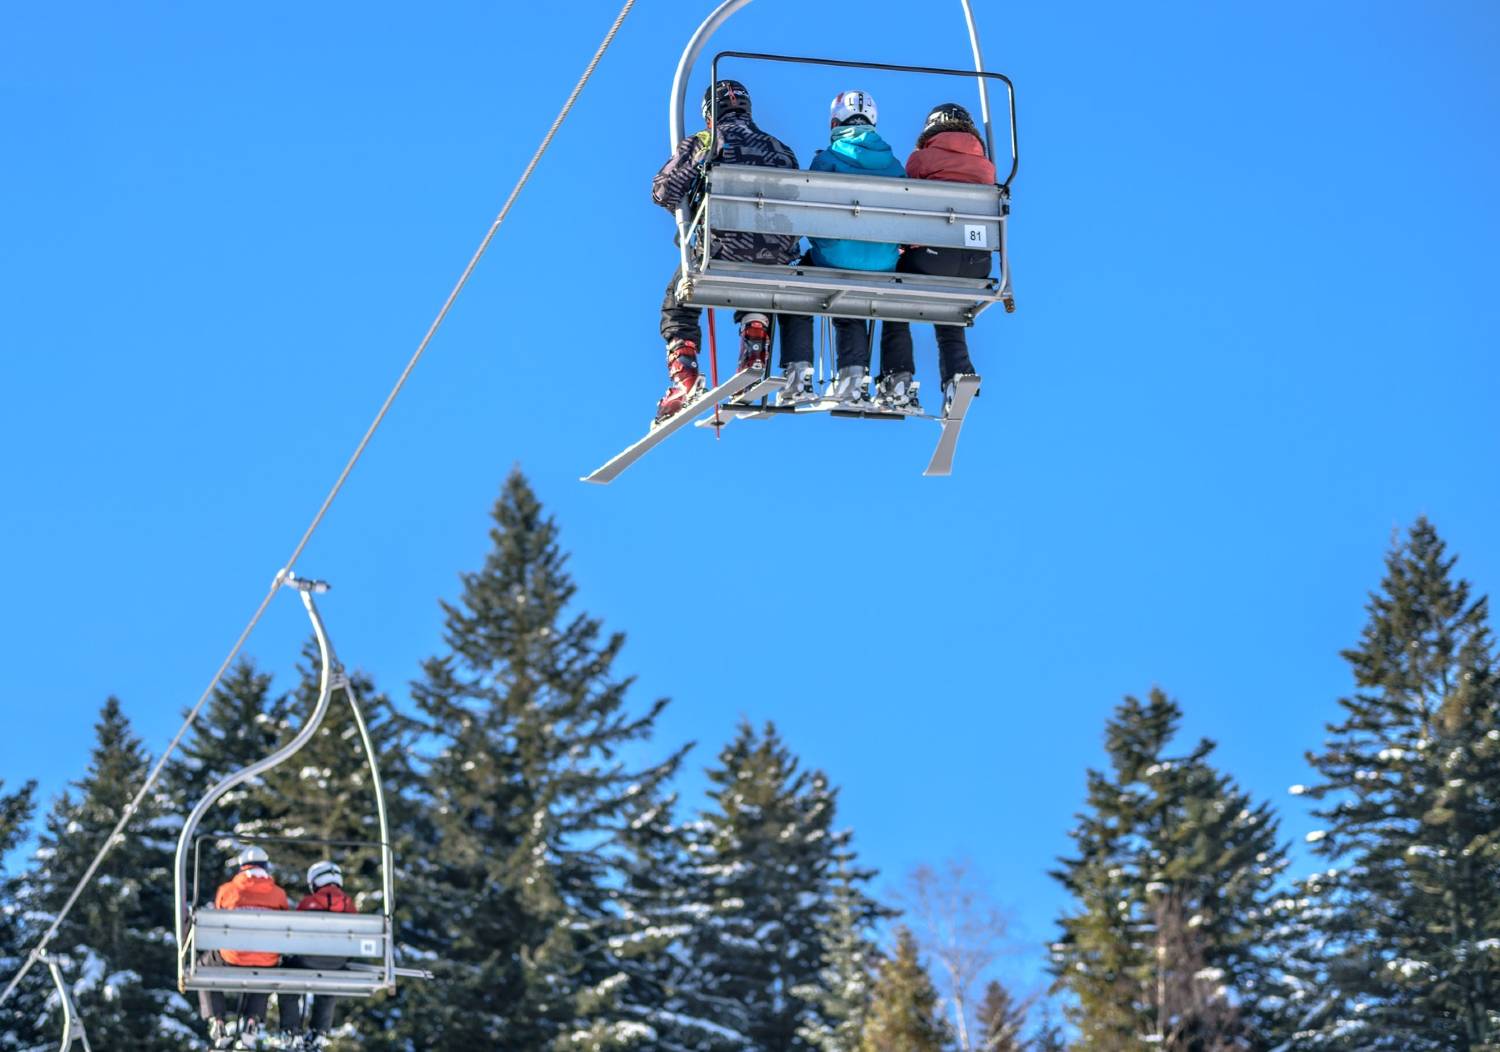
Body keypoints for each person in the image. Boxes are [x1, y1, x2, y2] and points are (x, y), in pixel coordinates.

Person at [651, 79, 800, 423]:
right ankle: (754, 352)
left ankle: (684, 378)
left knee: (678, 303)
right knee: (756, 278)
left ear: (709, 115)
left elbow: (662, 190)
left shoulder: (708, 140)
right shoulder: (779, 149)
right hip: (775, 253)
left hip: (720, 248)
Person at [777, 90, 906, 406]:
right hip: (884, 263)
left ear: (835, 121)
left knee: (801, 282)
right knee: (860, 290)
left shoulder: (827, 160)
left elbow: (807, 213)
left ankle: (800, 371)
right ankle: (857, 374)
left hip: (836, 258)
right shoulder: (895, 165)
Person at [875, 103, 994, 415]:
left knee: (892, 297)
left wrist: (903, 246)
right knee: (949, 308)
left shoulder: (921, 159)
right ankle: (958, 371)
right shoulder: (986, 167)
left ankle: (897, 377)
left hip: (932, 256)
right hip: (977, 263)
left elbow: (909, 206)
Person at [200, 846, 291, 1050]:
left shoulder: (227, 890)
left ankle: (217, 1018)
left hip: (233, 955)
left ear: (242, 867)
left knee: (204, 966)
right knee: (264, 967)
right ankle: (253, 1019)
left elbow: (217, 918)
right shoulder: (278, 894)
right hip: (266, 958)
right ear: (265, 867)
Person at [276, 860, 359, 1049]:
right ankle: (319, 1031)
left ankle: (291, 1030)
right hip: (337, 962)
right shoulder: (349, 904)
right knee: (328, 984)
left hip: (307, 959)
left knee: (288, 983)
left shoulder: (309, 902)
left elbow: (294, 934)